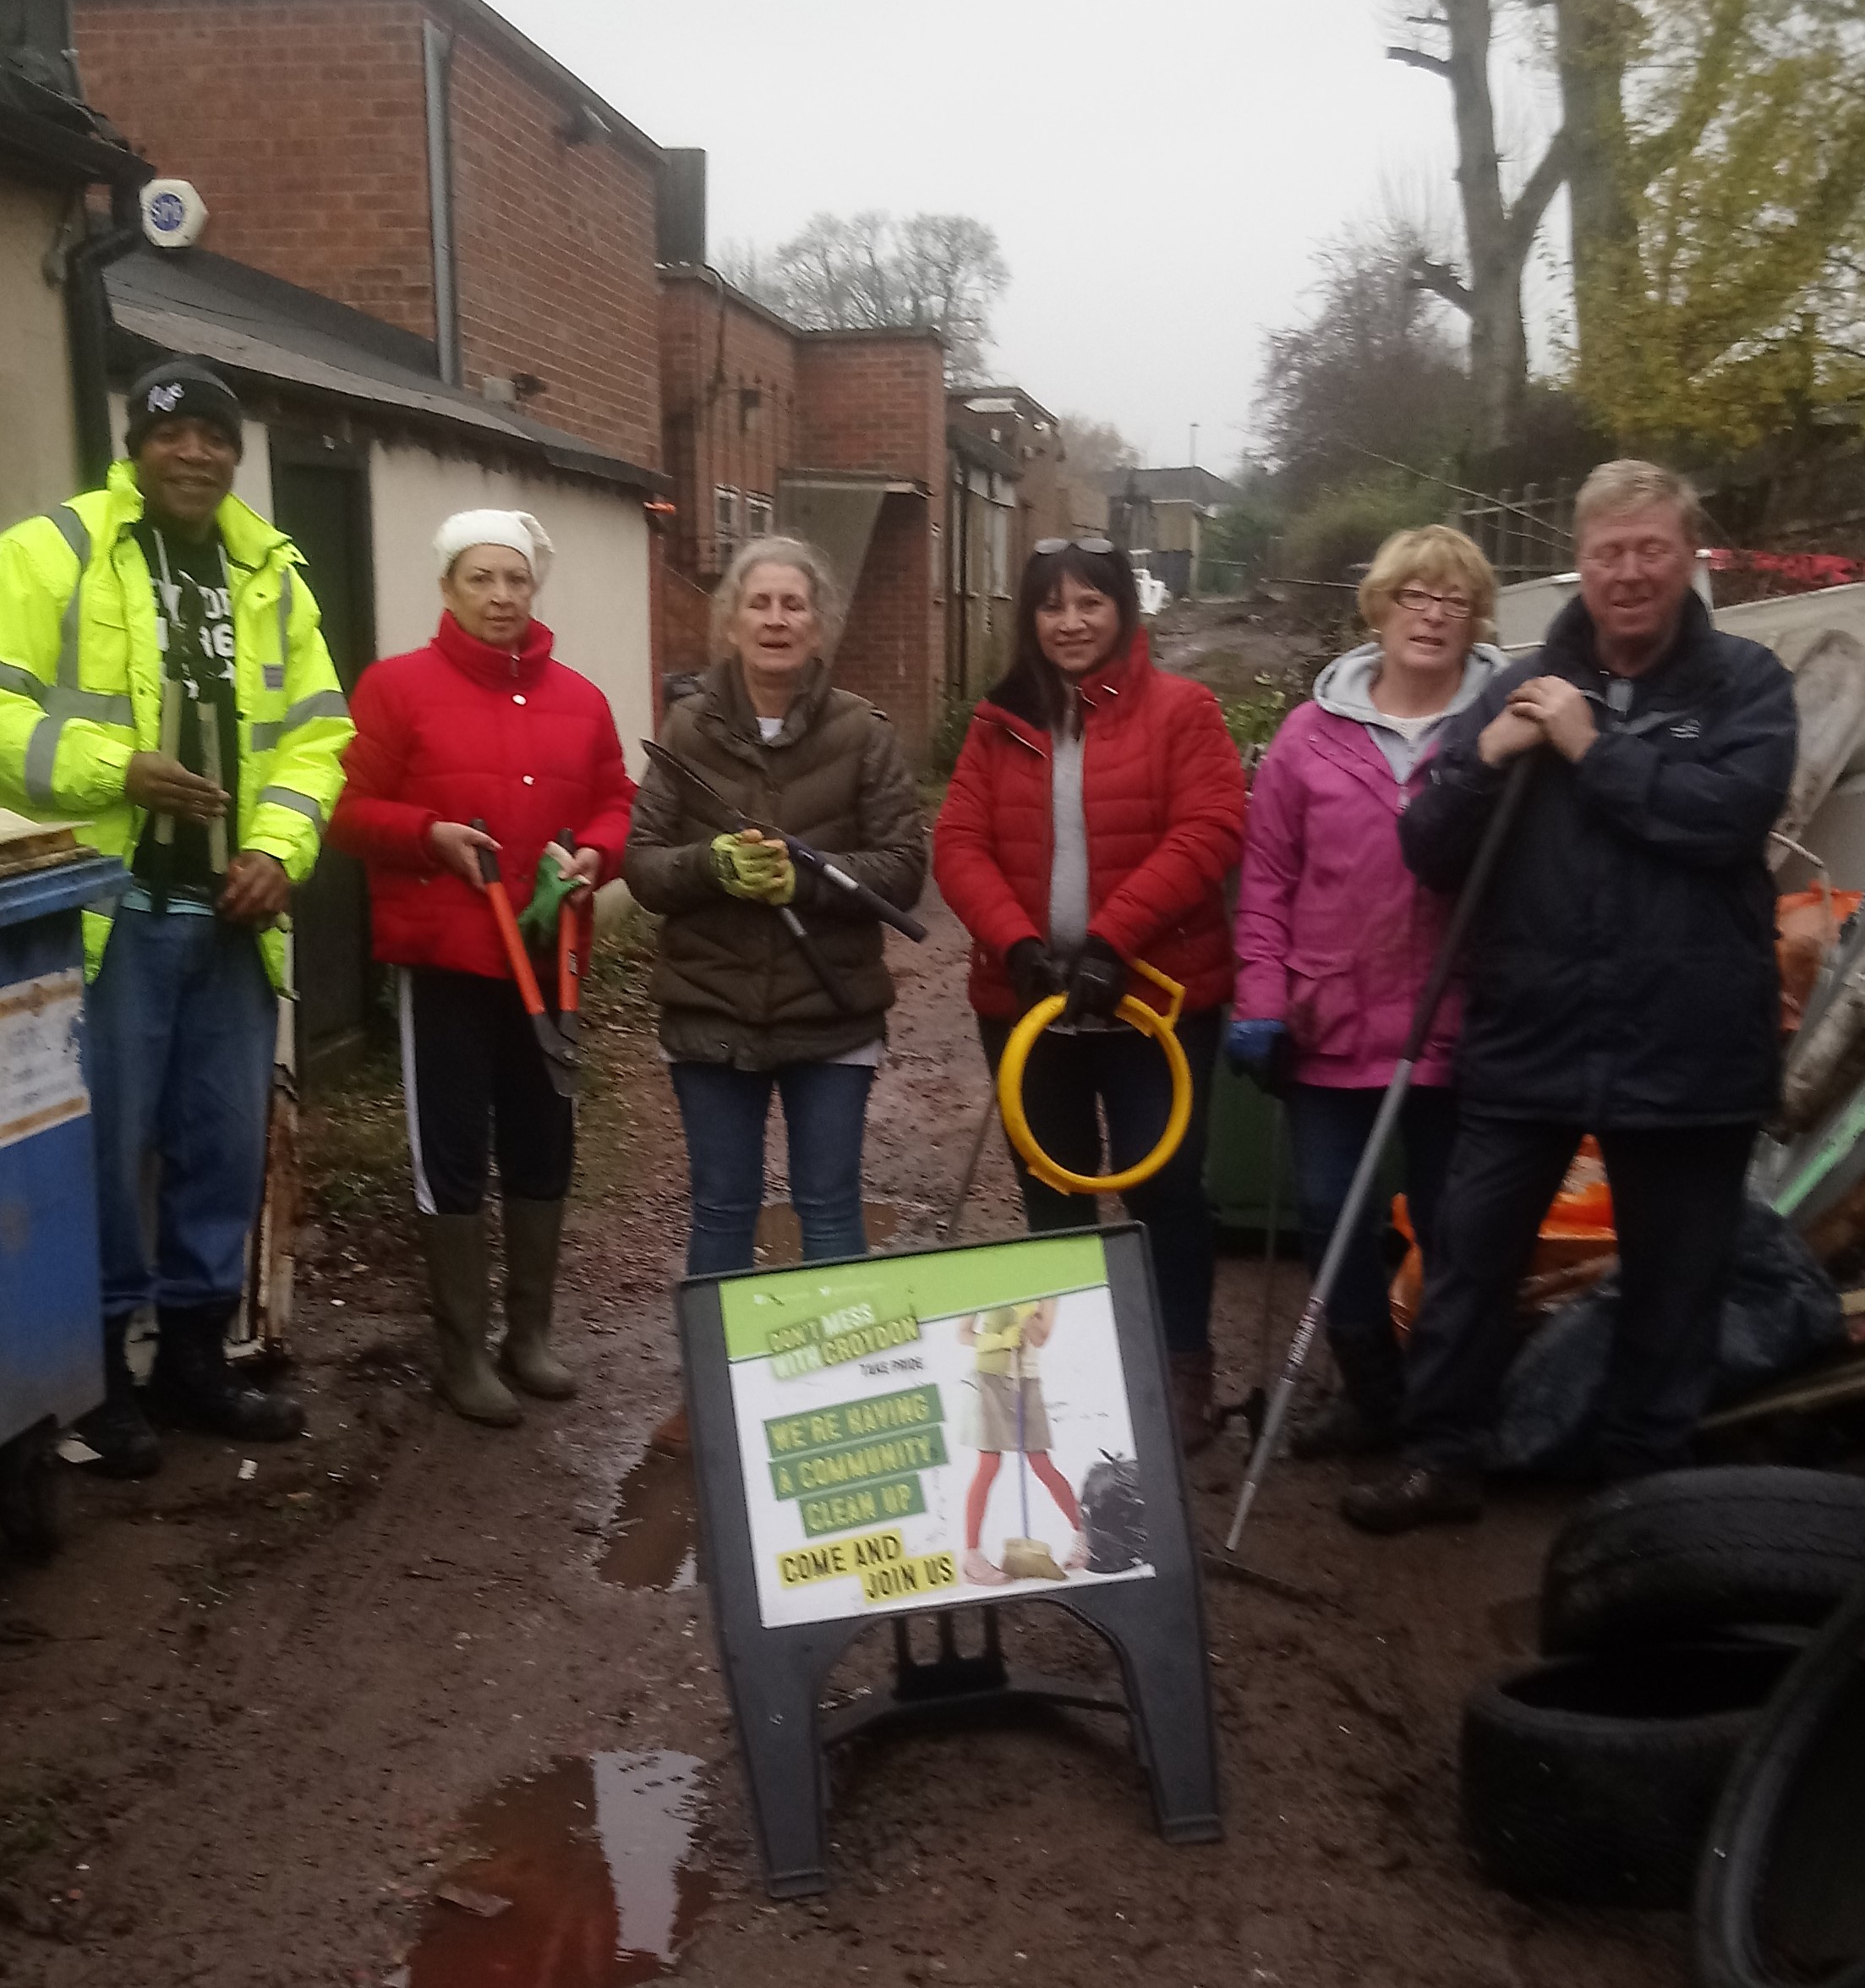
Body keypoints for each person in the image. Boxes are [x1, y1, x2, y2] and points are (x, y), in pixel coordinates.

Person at [1340, 460, 1799, 1532]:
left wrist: (1592, 746)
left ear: (1689, 558)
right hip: (1532, 1029)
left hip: (1687, 1040)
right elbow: (1427, 850)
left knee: (1673, 1281)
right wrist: (1482, 761)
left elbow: (1724, 820)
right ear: (1578, 566)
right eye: (1607, 552)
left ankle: (1643, 1485)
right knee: (1468, 1258)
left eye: (1650, 549)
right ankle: (1441, 1455)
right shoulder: (1510, 693)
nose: (1628, 572)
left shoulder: (1746, 684)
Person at [0, 356, 349, 1478]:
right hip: (107, 912)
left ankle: (195, 1364)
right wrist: (116, 766)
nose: (199, 454)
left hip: (230, 917)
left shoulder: (271, 573)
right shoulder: (48, 553)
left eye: (218, 438)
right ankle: (99, 1375)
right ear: (135, 444)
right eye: (175, 435)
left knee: (219, 1149)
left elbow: (319, 735)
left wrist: (277, 848)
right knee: (103, 1153)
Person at [933, 538, 1247, 1448]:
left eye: (1089, 603)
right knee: (1051, 1187)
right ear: (1029, 618)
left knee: (1166, 1185)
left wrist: (1112, 940)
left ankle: (1181, 1363)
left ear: (1121, 610)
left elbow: (1211, 826)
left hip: (1152, 997)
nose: (1069, 622)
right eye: (1050, 606)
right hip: (1029, 1005)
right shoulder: (998, 723)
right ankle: (1070, 1372)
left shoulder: (1183, 711)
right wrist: (1017, 944)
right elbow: (957, 844)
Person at [329, 510, 631, 1427]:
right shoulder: (395, 690)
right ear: (447, 588)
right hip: (448, 956)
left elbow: (618, 798)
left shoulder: (579, 698)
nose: (501, 596)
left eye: (516, 580)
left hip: (548, 959)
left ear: (533, 588)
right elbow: (344, 808)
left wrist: (596, 856)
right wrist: (426, 835)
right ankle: (461, 1350)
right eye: (481, 579)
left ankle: (528, 1335)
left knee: (544, 1141)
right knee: (452, 1150)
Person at [1230, 525, 1507, 1454]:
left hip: (1451, 1024)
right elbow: (1266, 882)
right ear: (1379, 608)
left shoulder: (1498, 732)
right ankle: (1368, 1395)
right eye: (1413, 596)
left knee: (1447, 1226)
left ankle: (1439, 1408)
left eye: (1453, 600)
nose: (1431, 615)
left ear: (1476, 620)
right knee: (1325, 1207)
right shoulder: (1309, 737)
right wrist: (1260, 1002)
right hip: (1327, 1020)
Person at [623, 535, 927, 1278]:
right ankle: (724, 1389)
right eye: (758, 603)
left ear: (817, 626)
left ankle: (838, 1388)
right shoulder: (688, 729)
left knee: (828, 1206)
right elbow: (643, 864)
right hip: (710, 1012)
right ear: (731, 622)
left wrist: (807, 881)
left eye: (794, 605)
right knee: (722, 1208)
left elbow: (904, 870)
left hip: (831, 1012)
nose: (776, 619)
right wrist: (711, 866)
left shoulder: (863, 732)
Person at [958, 1299, 1082, 1582]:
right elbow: (963, 1333)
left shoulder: (1046, 1291)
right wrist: (997, 1340)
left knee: (1041, 1463)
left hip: (1026, 1380)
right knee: (988, 1464)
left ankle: (1085, 1536)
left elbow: (1040, 1339)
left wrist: (1026, 1316)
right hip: (988, 1379)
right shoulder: (983, 1280)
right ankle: (972, 1558)